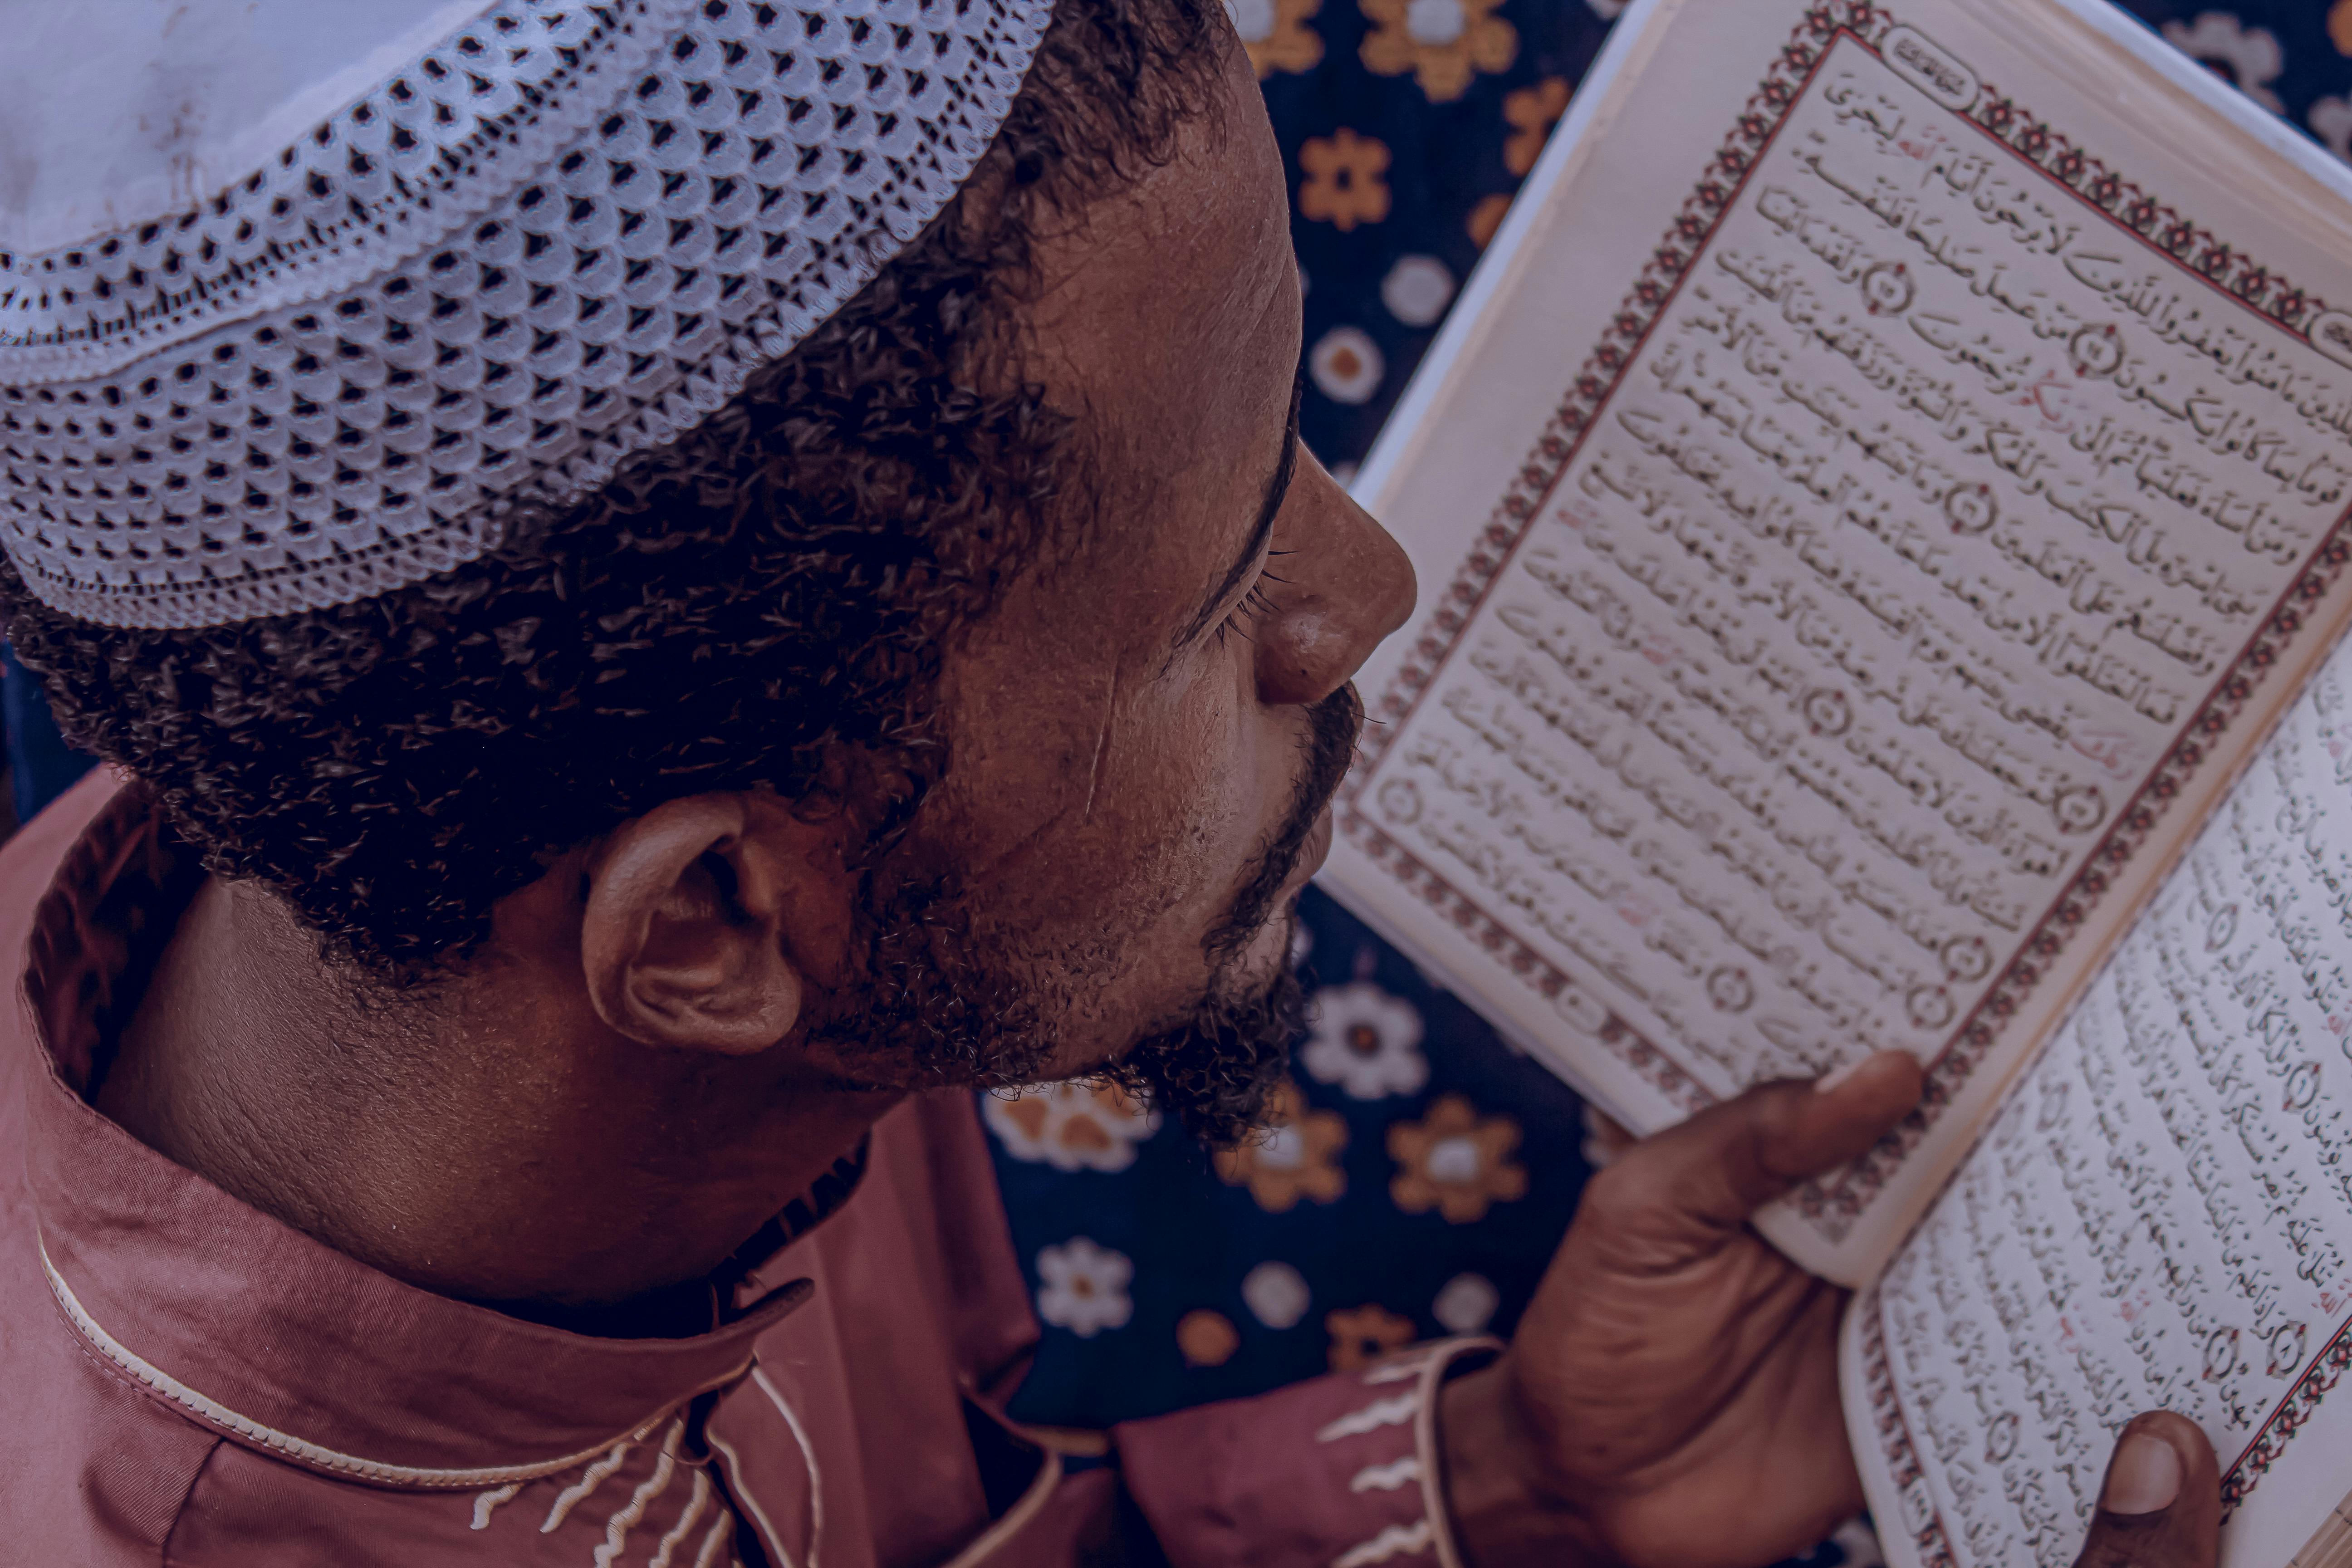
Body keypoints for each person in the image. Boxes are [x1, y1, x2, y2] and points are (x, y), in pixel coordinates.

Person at [0, 0, 2218, 1563]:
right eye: (1219, 587)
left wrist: (1521, 1486)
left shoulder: (682, 1011)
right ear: (711, 928)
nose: (1367, 588)